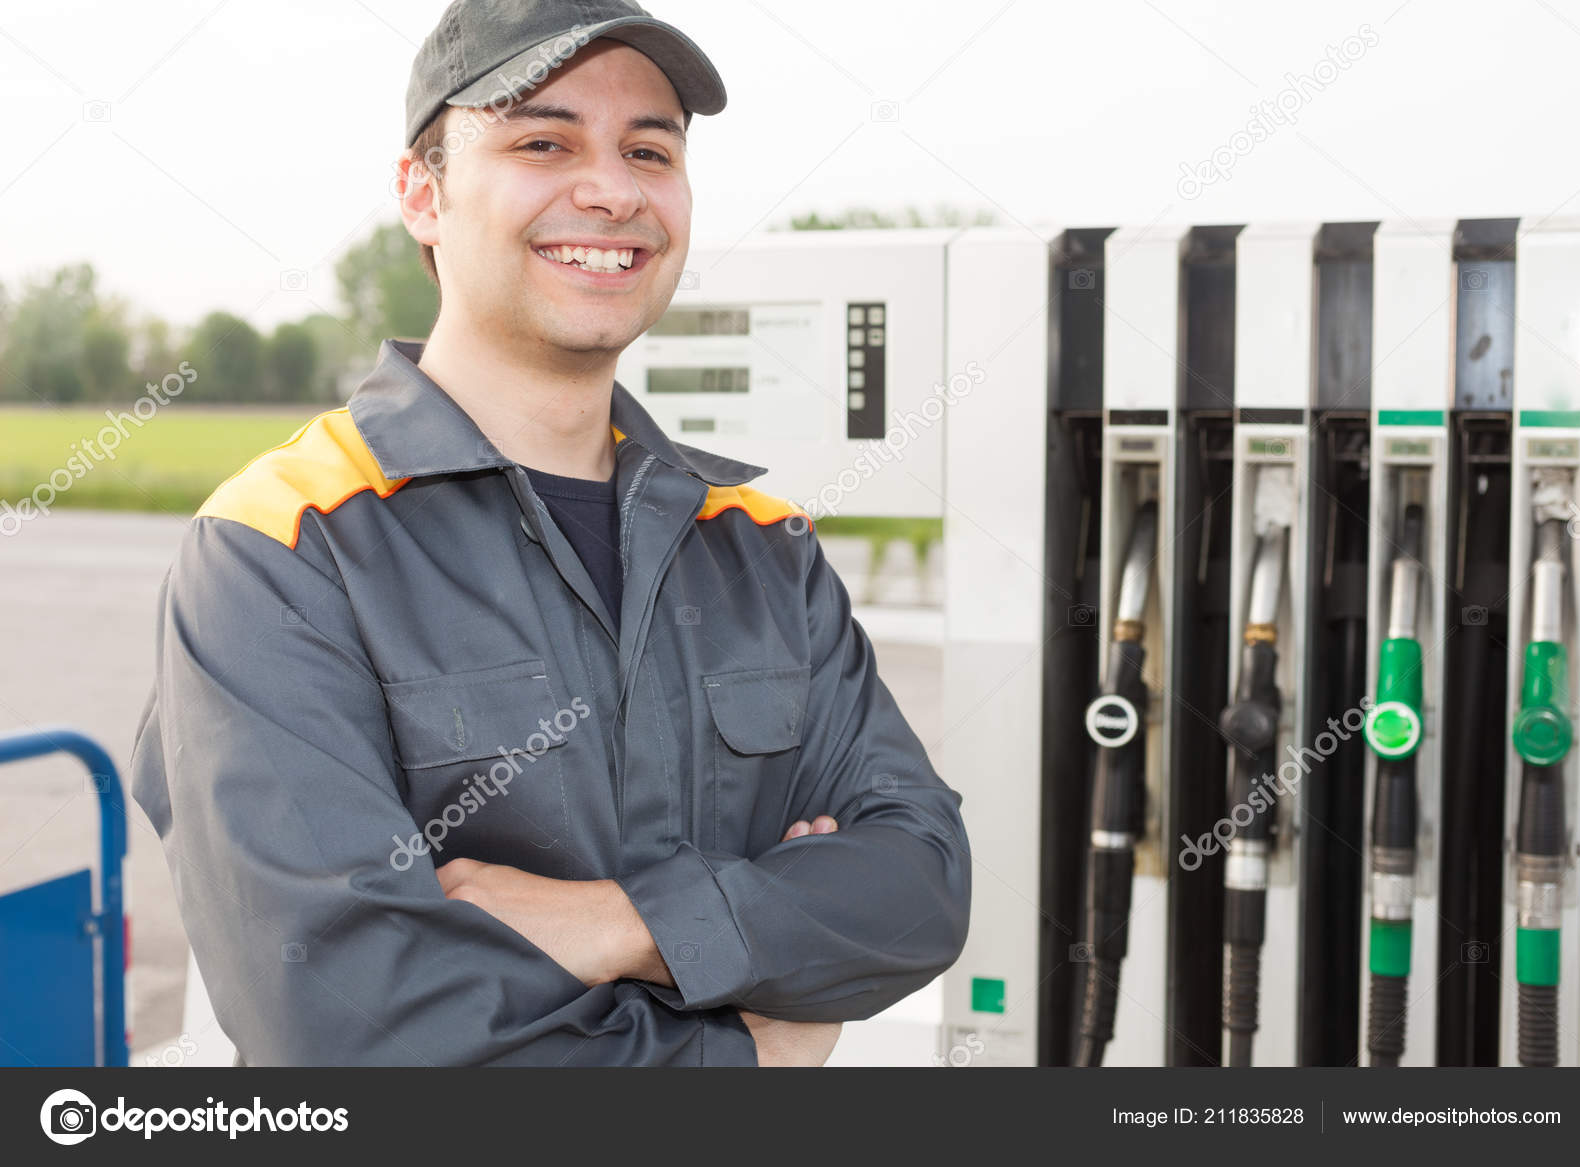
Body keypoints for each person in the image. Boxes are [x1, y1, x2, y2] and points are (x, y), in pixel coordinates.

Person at [130, 0, 971, 1067]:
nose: (613, 190)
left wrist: (619, 924)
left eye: (649, 151)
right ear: (422, 194)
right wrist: (749, 1048)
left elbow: (919, 887)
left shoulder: (760, 546)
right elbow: (349, 1025)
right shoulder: (281, 550)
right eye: (544, 143)